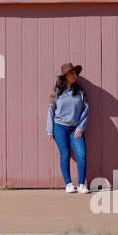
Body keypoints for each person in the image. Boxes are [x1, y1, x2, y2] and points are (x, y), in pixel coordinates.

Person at [47, 62, 89, 192]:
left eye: (75, 73)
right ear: (65, 76)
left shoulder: (80, 91)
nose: (74, 75)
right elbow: (51, 110)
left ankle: (81, 184)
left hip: (75, 128)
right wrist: (49, 129)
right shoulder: (56, 92)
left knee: (81, 154)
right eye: (71, 73)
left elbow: (86, 110)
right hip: (60, 127)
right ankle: (69, 184)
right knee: (65, 154)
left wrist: (80, 127)